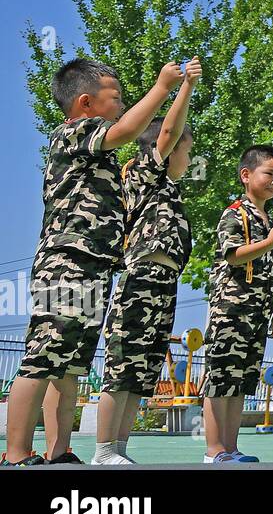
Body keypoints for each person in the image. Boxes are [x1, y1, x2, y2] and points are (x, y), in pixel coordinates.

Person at [3, 58, 181, 468]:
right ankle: (15, 454)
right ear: (85, 103)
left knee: (69, 367)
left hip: (95, 265)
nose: (121, 105)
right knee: (43, 357)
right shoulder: (73, 133)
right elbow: (129, 130)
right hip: (66, 261)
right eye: (115, 98)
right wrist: (161, 86)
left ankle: (59, 449)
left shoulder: (99, 151)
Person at [97, 58, 203, 464]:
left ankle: (118, 450)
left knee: (141, 372)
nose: (188, 159)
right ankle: (104, 449)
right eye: (186, 152)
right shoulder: (144, 173)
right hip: (140, 278)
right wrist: (185, 88)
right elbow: (170, 130)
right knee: (122, 365)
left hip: (164, 284)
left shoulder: (172, 191)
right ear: (167, 150)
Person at [202, 145, 273, 464]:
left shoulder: (269, 218)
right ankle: (214, 449)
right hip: (231, 309)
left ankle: (230, 448)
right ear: (246, 175)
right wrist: (270, 241)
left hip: (258, 310)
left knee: (241, 378)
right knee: (220, 379)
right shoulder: (235, 213)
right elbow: (233, 254)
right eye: (269, 174)